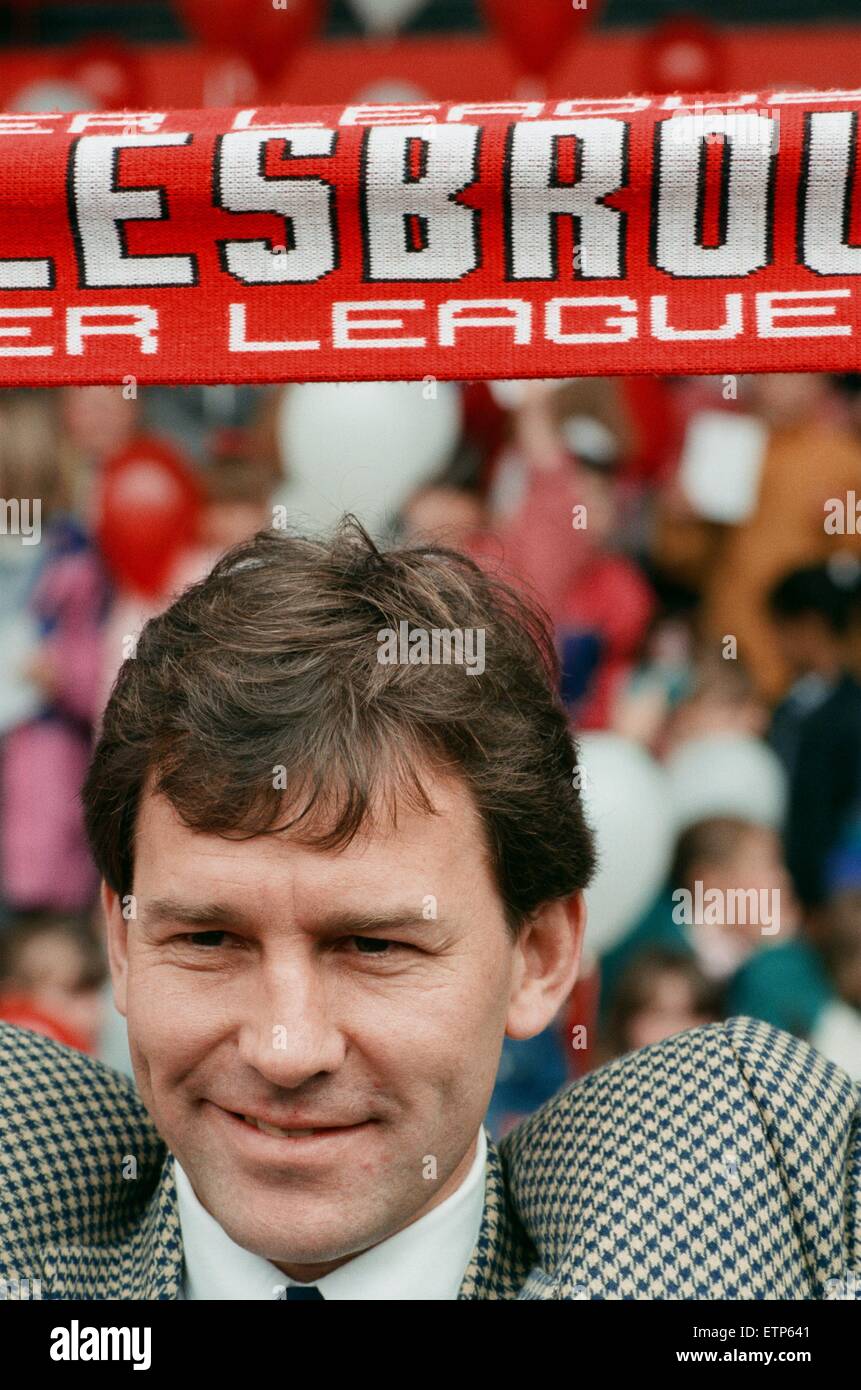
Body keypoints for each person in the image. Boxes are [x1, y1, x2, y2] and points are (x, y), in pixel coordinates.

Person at [0, 520, 858, 1301]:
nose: (287, 1049)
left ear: (541, 956)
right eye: (207, 937)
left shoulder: (752, 1204)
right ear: (120, 942)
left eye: (373, 945)